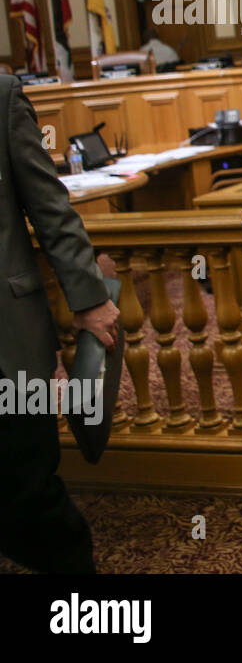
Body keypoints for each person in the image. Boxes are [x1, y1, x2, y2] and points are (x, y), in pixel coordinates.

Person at [0, 73, 119, 573]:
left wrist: (89, 299)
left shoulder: (2, 97)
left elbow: (50, 208)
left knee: (28, 495)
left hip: (7, 343)